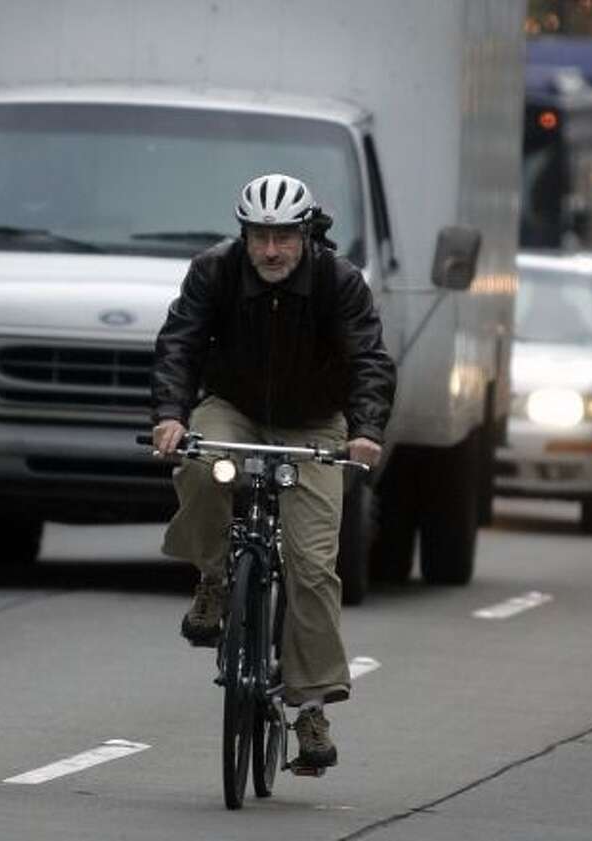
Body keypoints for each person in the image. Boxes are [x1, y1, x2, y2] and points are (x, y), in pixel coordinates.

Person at [150, 172, 396, 771]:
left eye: (284, 236)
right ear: (244, 234)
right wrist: (170, 416)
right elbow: (179, 343)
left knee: (312, 566)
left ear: (306, 234)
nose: (271, 250)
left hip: (314, 424)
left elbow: (369, 358)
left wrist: (365, 431)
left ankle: (309, 707)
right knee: (203, 466)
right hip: (232, 408)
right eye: (259, 235)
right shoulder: (213, 270)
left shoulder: (342, 284)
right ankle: (213, 579)